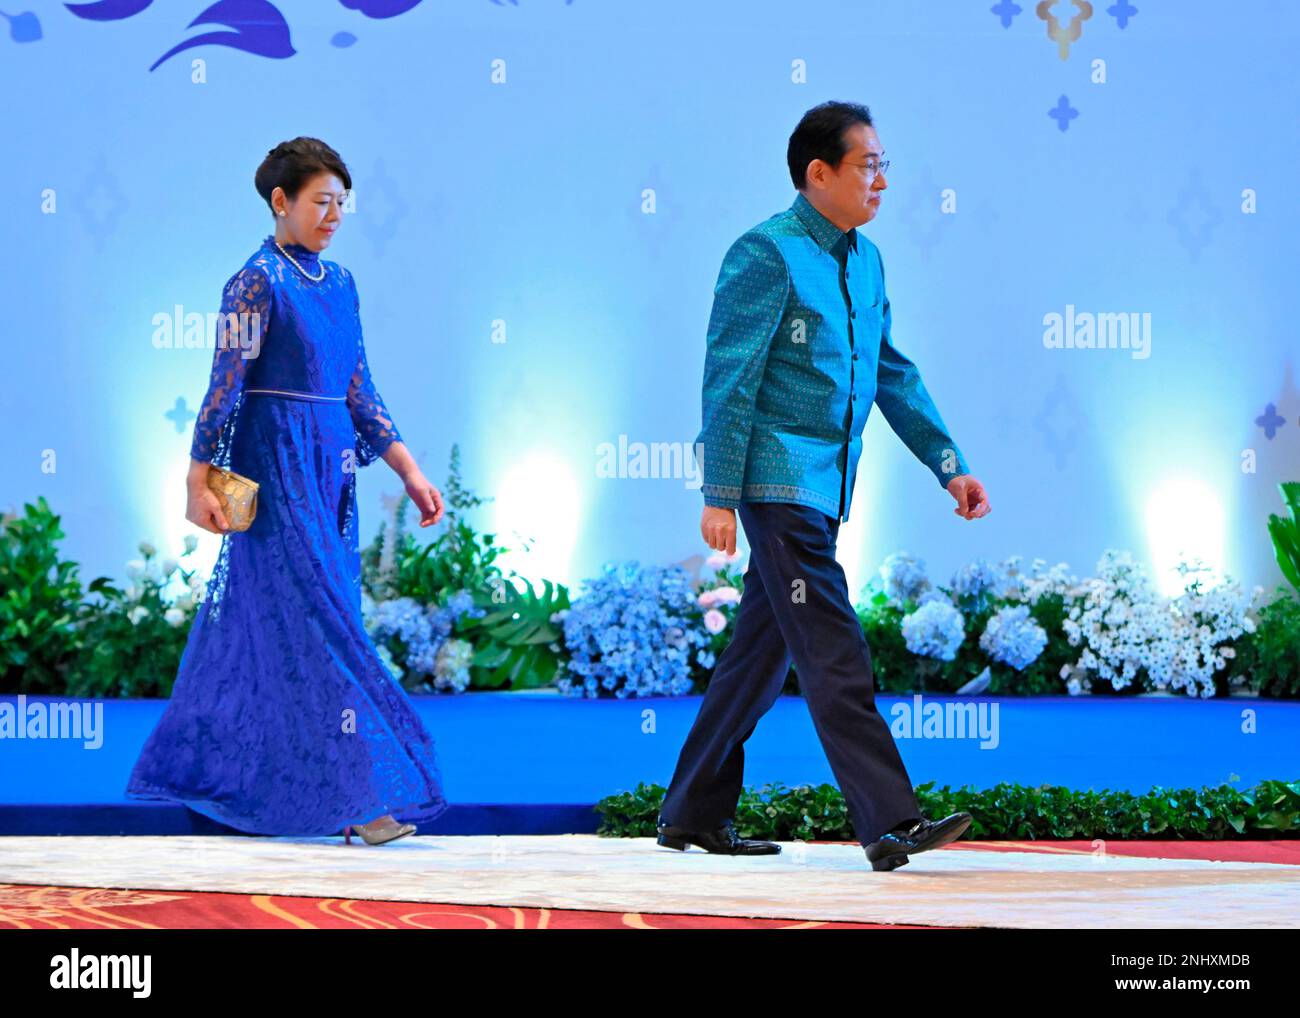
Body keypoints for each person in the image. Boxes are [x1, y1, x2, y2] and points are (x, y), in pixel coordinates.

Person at [658, 102, 991, 871]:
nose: (882, 180)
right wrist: (718, 491)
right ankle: (889, 821)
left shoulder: (865, 260)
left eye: (884, 164)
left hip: (825, 485)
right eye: (868, 164)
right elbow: (729, 377)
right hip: (776, 485)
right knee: (835, 647)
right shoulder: (766, 253)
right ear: (819, 174)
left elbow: (892, 373)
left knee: (758, 654)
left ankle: (691, 812)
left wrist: (949, 463)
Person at [126, 137, 449, 846]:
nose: (334, 215)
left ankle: (265, 777)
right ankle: (364, 800)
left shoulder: (342, 284)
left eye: (341, 203)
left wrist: (409, 470)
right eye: (320, 201)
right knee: (320, 629)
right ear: (281, 202)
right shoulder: (254, 281)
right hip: (273, 468)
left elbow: (359, 389)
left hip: (331, 472)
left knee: (312, 625)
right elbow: (223, 385)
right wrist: (195, 478)